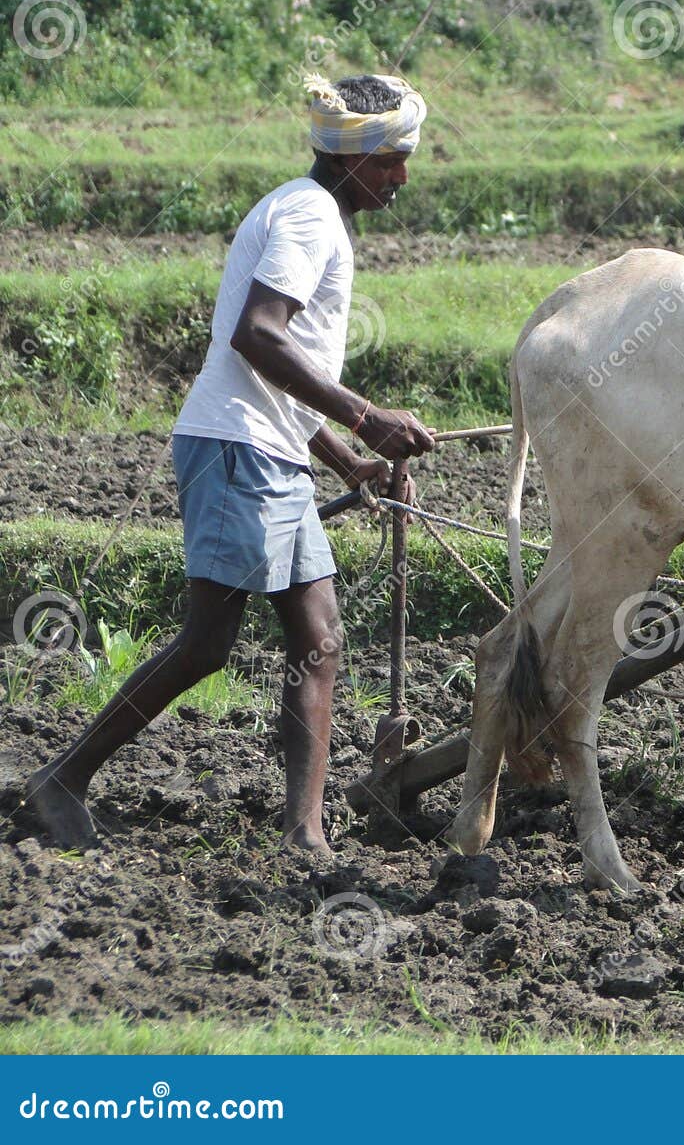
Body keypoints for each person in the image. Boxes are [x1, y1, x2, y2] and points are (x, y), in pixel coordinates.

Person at [27, 73, 437, 855]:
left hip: (267, 445)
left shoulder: (308, 212)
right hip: (235, 446)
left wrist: (351, 463)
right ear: (351, 157)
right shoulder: (311, 217)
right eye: (390, 161)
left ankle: (304, 834)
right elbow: (257, 335)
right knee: (207, 644)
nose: (401, 178)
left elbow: (269, 368)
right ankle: (63, 779)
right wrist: (366, 415)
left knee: (318, 638)